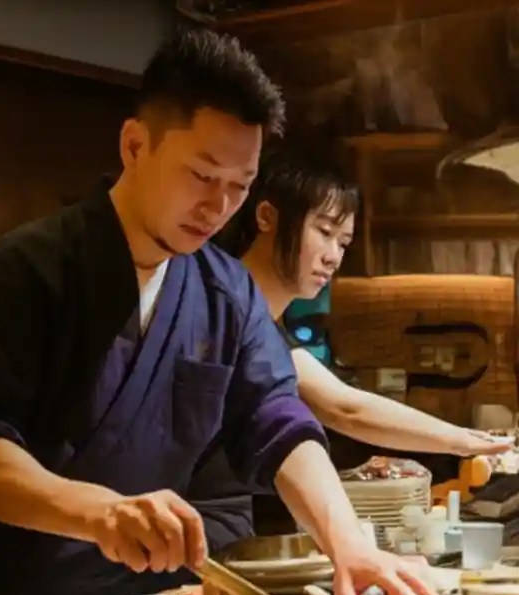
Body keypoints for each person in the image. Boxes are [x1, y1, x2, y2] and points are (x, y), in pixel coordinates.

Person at [0, 29, 439, 595]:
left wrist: (349, 544)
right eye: (201, 175)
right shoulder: (33, 267)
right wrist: (98, 511)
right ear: (135, 145)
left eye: (240, 185)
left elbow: (277, 419)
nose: (219, 206)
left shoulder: (227, 291)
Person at [190, 145, 512, 540]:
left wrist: (467, 441)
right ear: (267, 217)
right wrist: (465, 441)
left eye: (343, 243)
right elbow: (345, 409)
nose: (333, 257)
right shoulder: (216, 302)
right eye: (325, 232)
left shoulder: (260, 325)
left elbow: (344, 401)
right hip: (185, 525)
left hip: (218, 529)